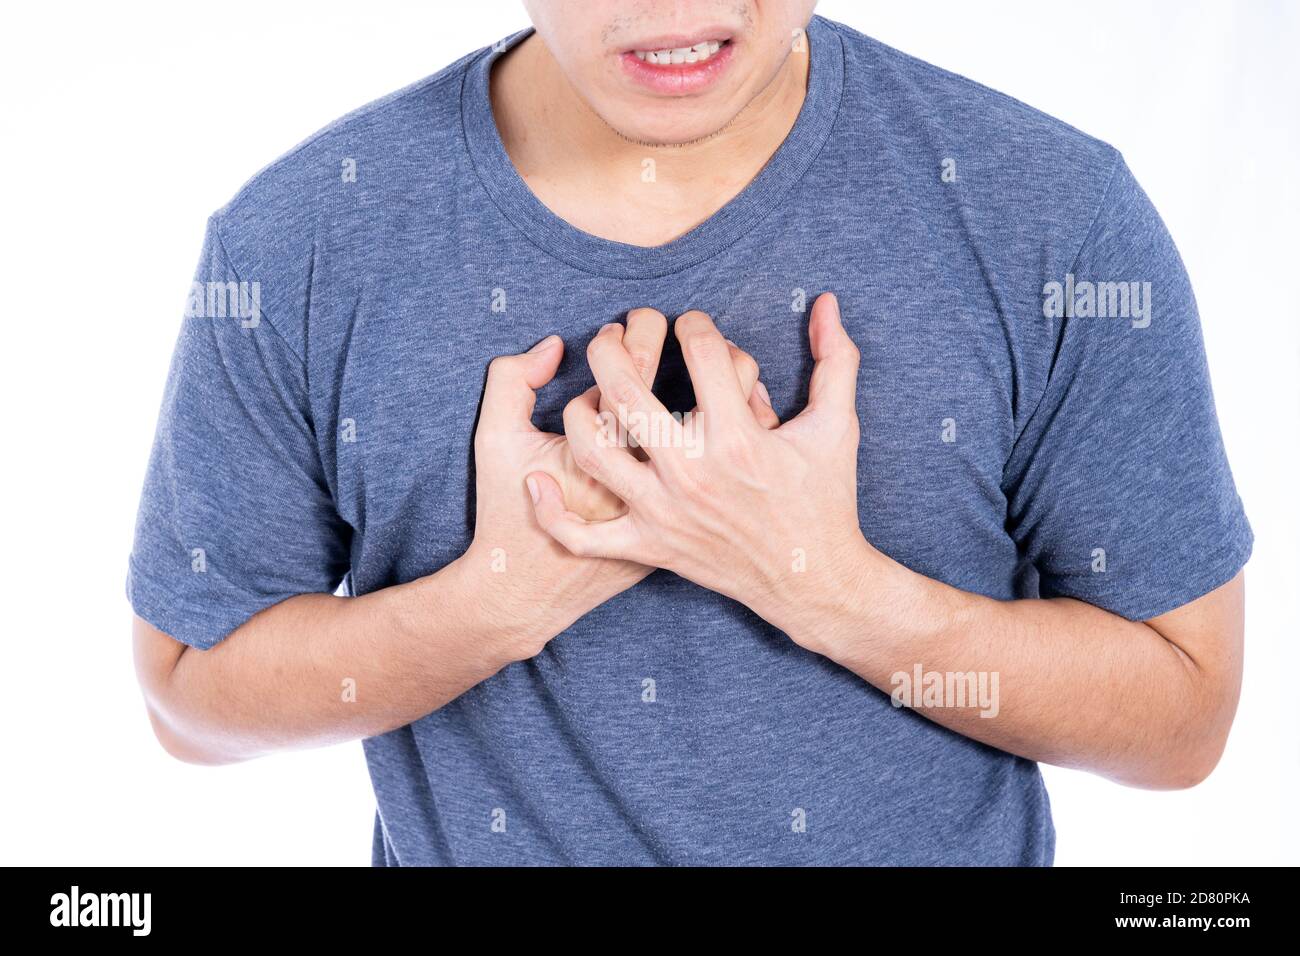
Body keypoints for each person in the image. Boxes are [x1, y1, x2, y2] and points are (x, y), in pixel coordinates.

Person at [129, 2, 1252, 865]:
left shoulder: (1055, 212)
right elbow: (188, 690)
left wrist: (824, 585)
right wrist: (492, 604)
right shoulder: (302, 238)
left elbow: (1181, 715)